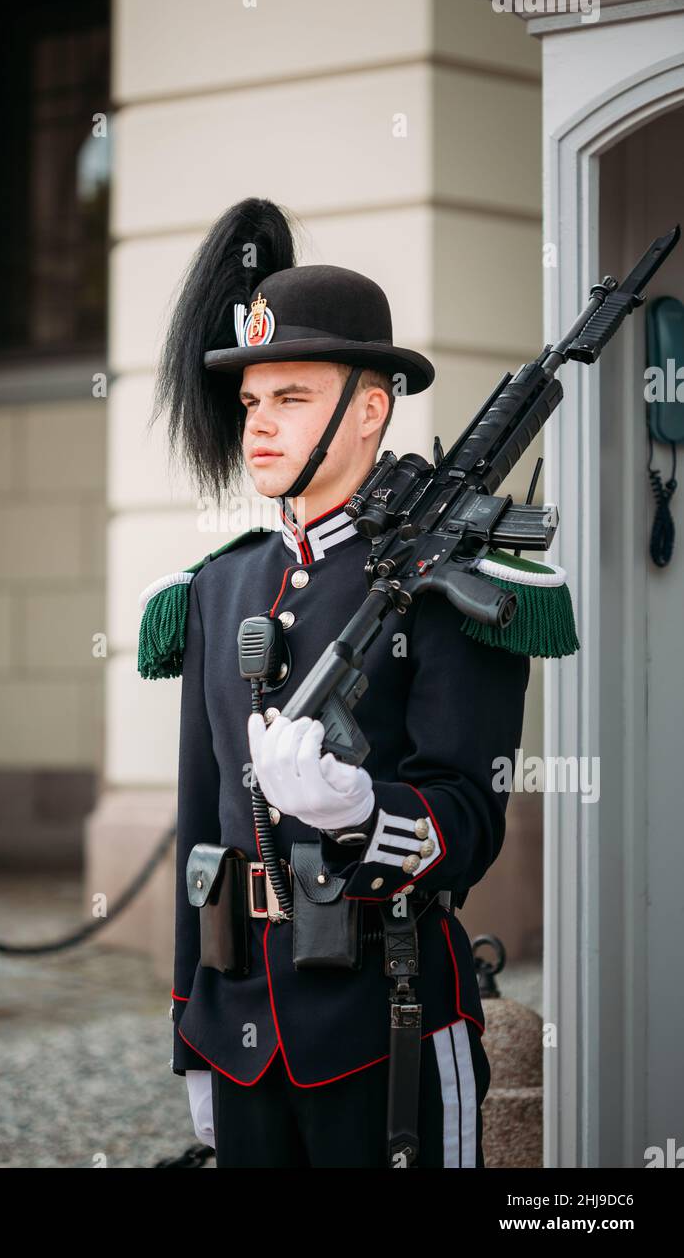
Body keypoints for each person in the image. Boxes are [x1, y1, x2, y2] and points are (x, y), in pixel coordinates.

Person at [138, 197, 562, 1168]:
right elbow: (201, 830)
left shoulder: (451, 583)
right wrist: (190, 1039)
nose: (258, 427)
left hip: (384, 1017)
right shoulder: (215, 587)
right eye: (250, 403)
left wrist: (359, 810)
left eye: (290, 398)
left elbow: (468, 819)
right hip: (238, 1021)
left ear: (368, 408)